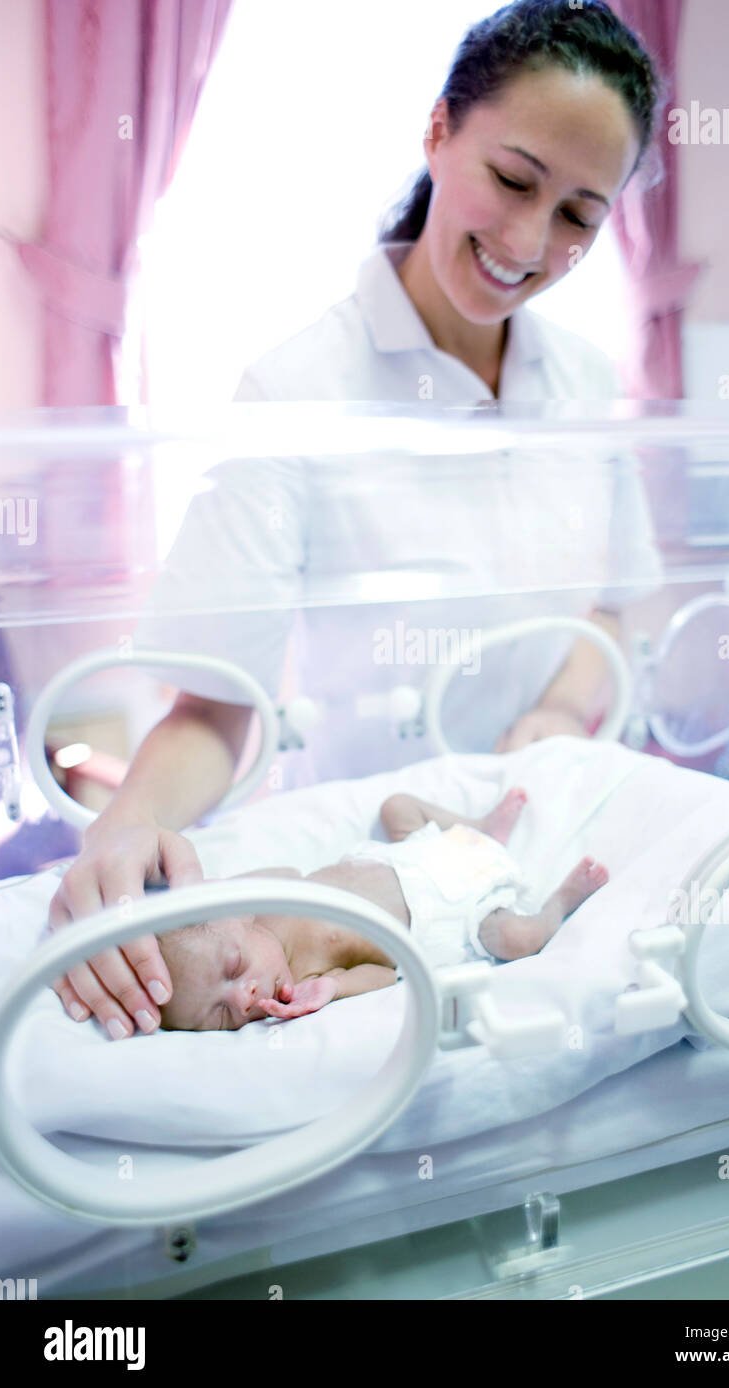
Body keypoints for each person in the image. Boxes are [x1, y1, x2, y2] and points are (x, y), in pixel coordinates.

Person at [48, 0, 663, 1041]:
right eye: (512, 180)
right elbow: (213, 708)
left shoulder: (588, 383)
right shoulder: (297, 388)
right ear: (436, 133)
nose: (527, 240)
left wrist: (560, 713)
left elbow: (610, 608)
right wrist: (125, 830)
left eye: (577, 215)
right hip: (375, 880)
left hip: (551, 826)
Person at [155, 787, 609, 1033]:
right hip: (457, 916)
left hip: (414, 854)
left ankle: (481, 829)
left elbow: (283, 869)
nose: (242, 997)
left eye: (233, 967)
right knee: (518, 940)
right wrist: (332, 988)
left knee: (398, 805)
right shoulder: (301, 982)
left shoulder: (266, 901)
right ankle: (558, 905)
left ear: (232, 915)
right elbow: (382, 974)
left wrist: (220, 894)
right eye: (219, 1016)